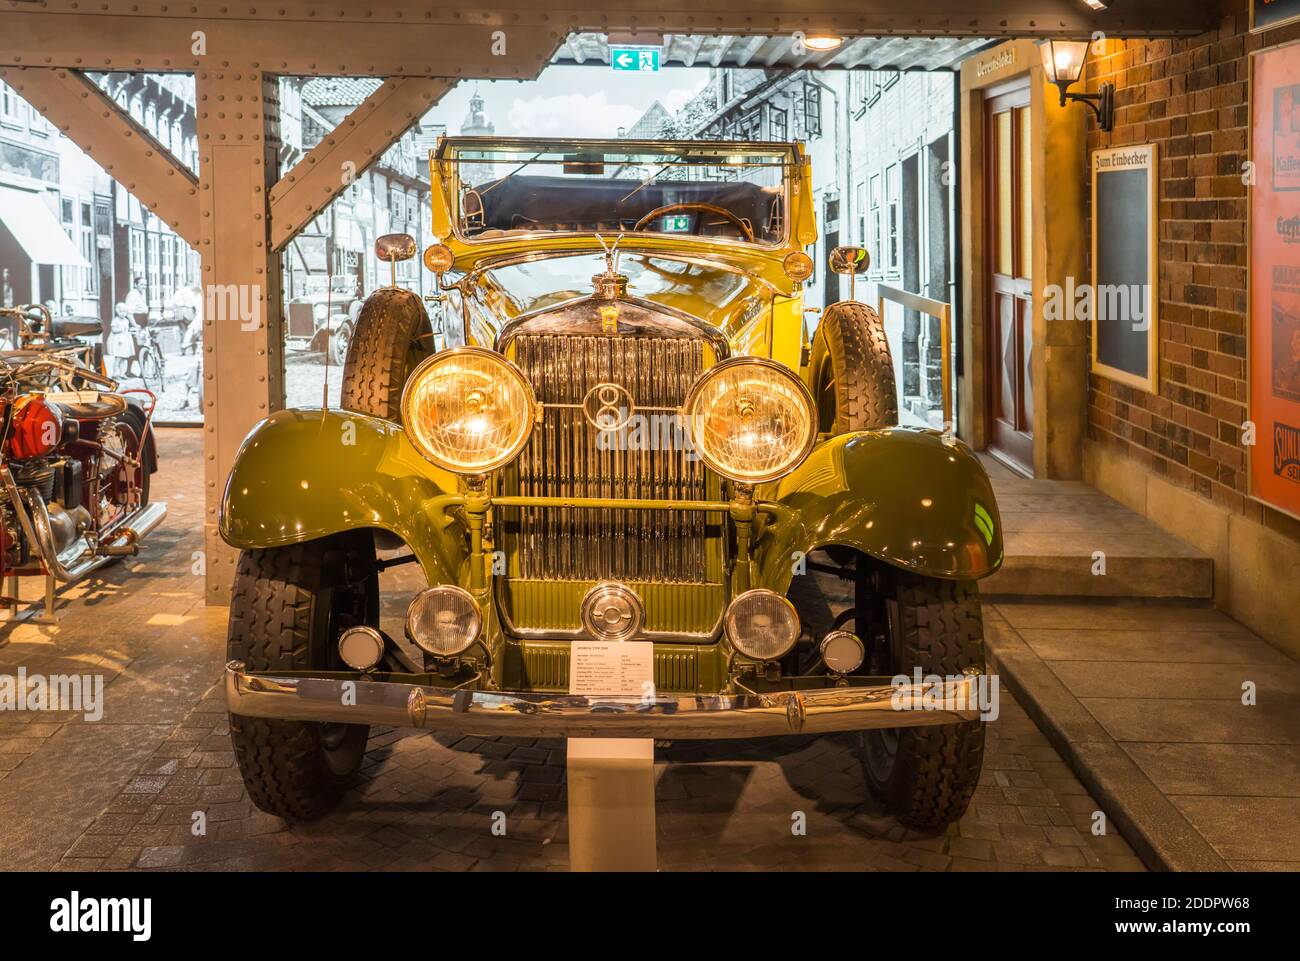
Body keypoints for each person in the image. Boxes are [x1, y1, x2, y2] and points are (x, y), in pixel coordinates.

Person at [107, 302, 136, 377]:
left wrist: (130, 330)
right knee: (118, 358)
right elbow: (113, 330)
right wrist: (120, 329)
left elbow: (127, 329)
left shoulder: (126, 321)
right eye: (121, 312)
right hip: (118, 341)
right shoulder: (115, 320)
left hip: (125, 341)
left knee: (124, 358)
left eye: (125, 312)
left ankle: (122, 373)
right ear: (117, 312)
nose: (123, 314)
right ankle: (115, 373)